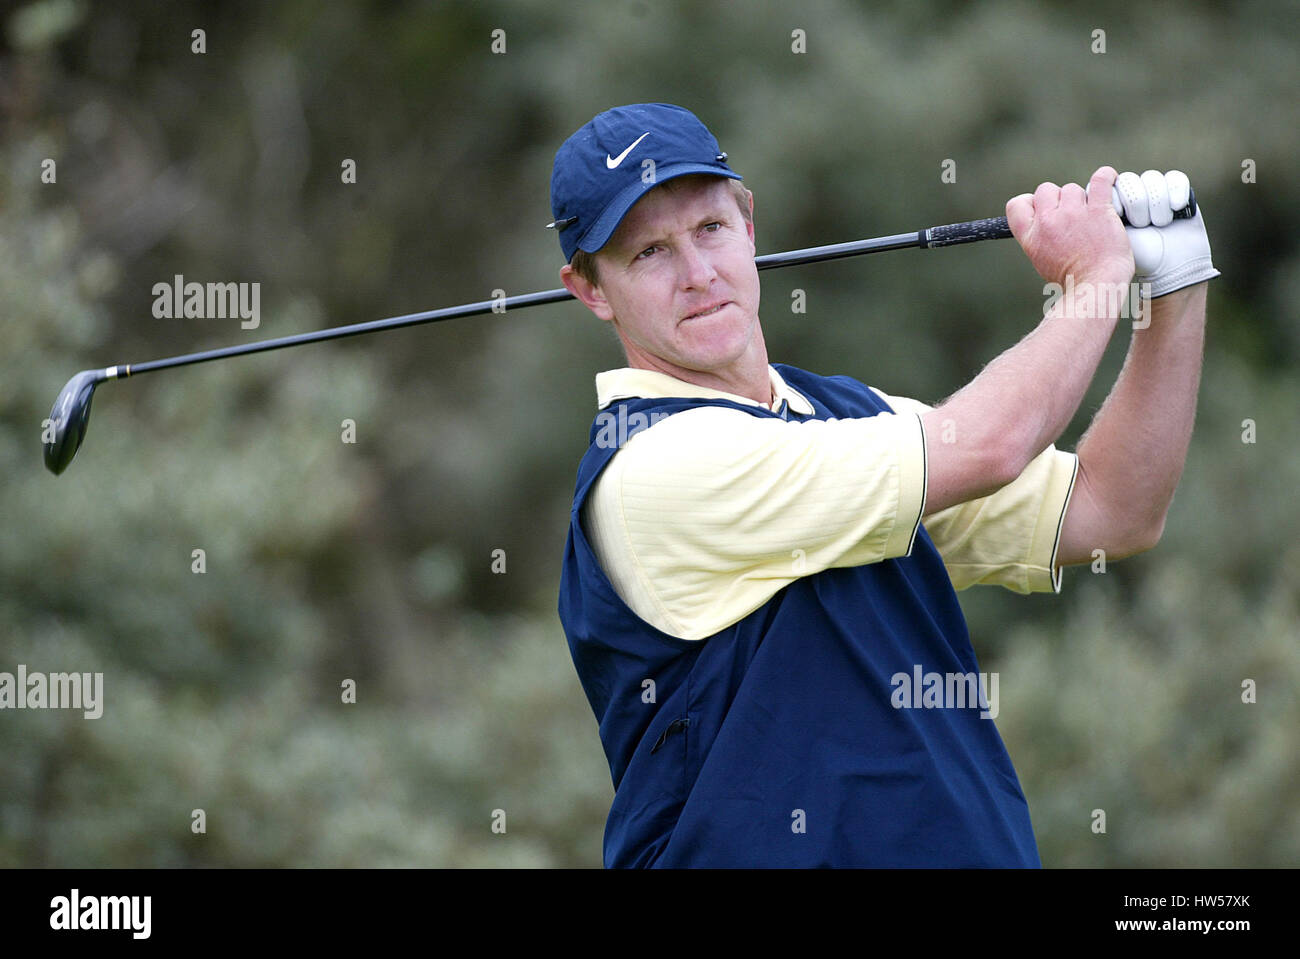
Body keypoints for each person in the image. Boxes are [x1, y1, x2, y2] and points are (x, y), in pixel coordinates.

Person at [551, 103, 1216, 867]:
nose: (699, 275)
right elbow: (992, 443)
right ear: (591, 290)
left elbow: (1111, 510)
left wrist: (1176, 288)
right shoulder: (654, 467)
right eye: (649, 254)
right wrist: (1096, 278)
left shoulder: (848, 416)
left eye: (709, 229)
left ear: (749, 224)